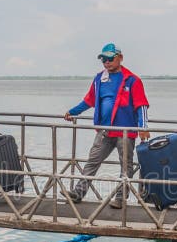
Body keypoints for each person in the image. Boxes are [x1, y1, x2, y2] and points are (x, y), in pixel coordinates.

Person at [64, 43, 150, 209]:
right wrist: (73, 111)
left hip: (125, 132)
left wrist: (143, 128)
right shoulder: (99, 79)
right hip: (104, 131)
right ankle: (78, 193)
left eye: (110, 58)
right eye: (103, 59)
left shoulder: (132, 80)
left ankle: (120, 198)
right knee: (92, 161)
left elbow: (142, 105)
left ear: (120, 58)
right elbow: (89, 100)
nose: (106, 62)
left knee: (126, 166)